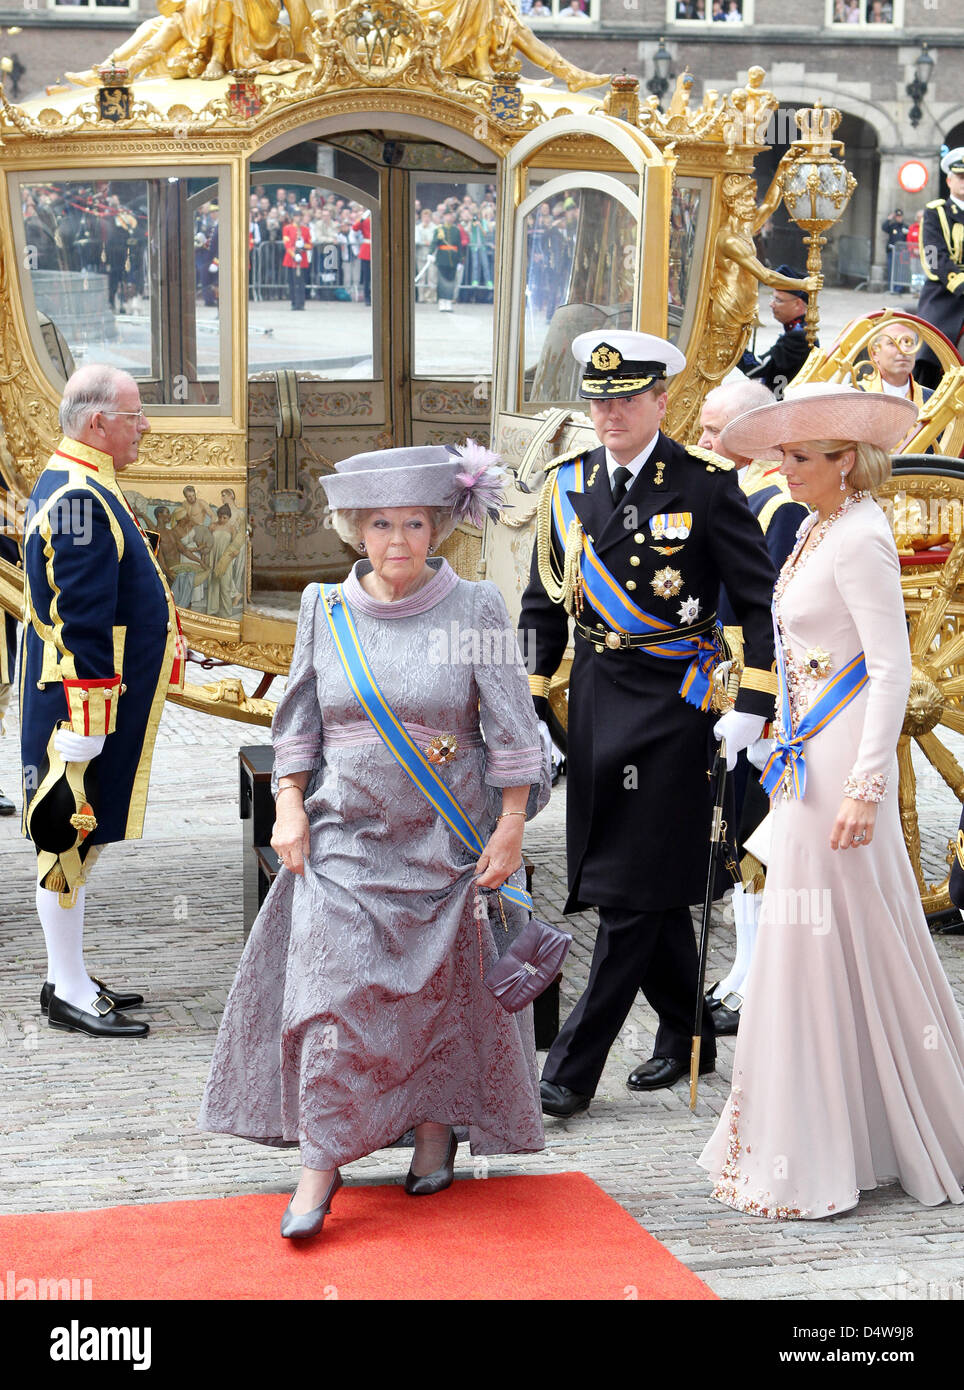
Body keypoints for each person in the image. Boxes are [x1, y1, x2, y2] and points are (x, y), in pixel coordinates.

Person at [199, 442, 547, 1238]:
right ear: (355, 528)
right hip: (344, 843)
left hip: (444, 844)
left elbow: (513, 729)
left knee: (434, 999)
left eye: (416, 523)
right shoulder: (325, 608)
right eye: (382, 523)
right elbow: (297, 725)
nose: (399, 541)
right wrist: (288, 806)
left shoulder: (478, 609)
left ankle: (434, 1134)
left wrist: (511, 825)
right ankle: (317, 1169)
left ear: (440, 527)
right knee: (331, 1004)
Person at [698, 383, 964, 1218]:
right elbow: (805, 652)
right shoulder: (819, 528)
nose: (781, 466)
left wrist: (864, 784)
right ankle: (849, 1126)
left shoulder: (861, 538)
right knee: (838, 936)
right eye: (781, 454)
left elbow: (890, 670)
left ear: (844, 463)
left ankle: (824, 1145)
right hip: (811, 756)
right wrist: (775, 735)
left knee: (826, 935)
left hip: (846, 766)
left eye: (798, 456)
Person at [518, 332, 778, 1116]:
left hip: (679, 707)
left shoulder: (703, 485)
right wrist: (529, 704)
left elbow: (764, 603)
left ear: (662, 401)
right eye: (599, 401)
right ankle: (689, 1031)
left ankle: (570, 1069)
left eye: (626, 399)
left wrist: (754, 705)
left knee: (628, 893)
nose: (609, 414)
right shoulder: (566, 487)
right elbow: (542, 605)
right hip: (597, 703)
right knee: (648, 885)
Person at [20, 365, 184, 1039]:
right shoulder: (81, 498)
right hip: (81, 712)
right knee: (64, 843)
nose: (144, 425)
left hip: (86, 705)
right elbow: (80, 620)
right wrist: (84, 726)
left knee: (77, 845)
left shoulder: (81, 481)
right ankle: (65, 988)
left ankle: (73, 976)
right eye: (135, 414)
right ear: (98, 424)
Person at [697, 380, 809, 1035]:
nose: (705, 443)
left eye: (716, 432)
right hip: (730, 691)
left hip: (768, 703)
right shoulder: (734, 491)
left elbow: (773, 618)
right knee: (739, 836)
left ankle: (761, 974)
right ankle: (744, 967)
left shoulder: (778, 505)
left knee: (760, 837)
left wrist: (757, 708)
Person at [915, 148, 964, 391]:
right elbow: (934, 255)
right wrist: (959, 282)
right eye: (961, 177)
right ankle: (924, 393)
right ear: (949, 180)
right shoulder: (937, 211)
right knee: (930, 345)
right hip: (945, 290)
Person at [742, 267, 815, 395]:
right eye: (773, 298)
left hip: (780, 409)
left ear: (798, 304)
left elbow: (757, 369)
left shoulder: (799, 337)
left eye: (778, 300)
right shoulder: (798, 331)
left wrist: (734, 347)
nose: (772, 304)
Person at [858, 323, 932, 409]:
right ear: (874, 353)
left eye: (909, 342)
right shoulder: (851, 397)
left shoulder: (933, 400)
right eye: (892, 343)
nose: (904, 350)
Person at [282, 208, 312, 311]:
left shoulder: (306, 230)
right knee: (292, 282)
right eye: (296, 216)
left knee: (301, 282)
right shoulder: (287, 228)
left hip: (302, 259)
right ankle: (294, 303)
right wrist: (294, 254)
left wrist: (303, 246)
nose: (297, 218)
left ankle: (301, 303)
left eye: (299, 216)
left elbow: (310, 245)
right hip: (291, 259)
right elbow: (287, 243)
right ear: (293, 217)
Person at [881, 208, 907, 293]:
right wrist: (889, 218)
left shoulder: (905, 227)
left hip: (901, 252)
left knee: (900, 270)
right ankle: (891, 288)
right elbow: (884, 227)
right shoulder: (892, 226)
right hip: (892, 251)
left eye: (900, 216)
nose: (899, 218)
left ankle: (898, 289)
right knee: (891, 270)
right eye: (897, 216)